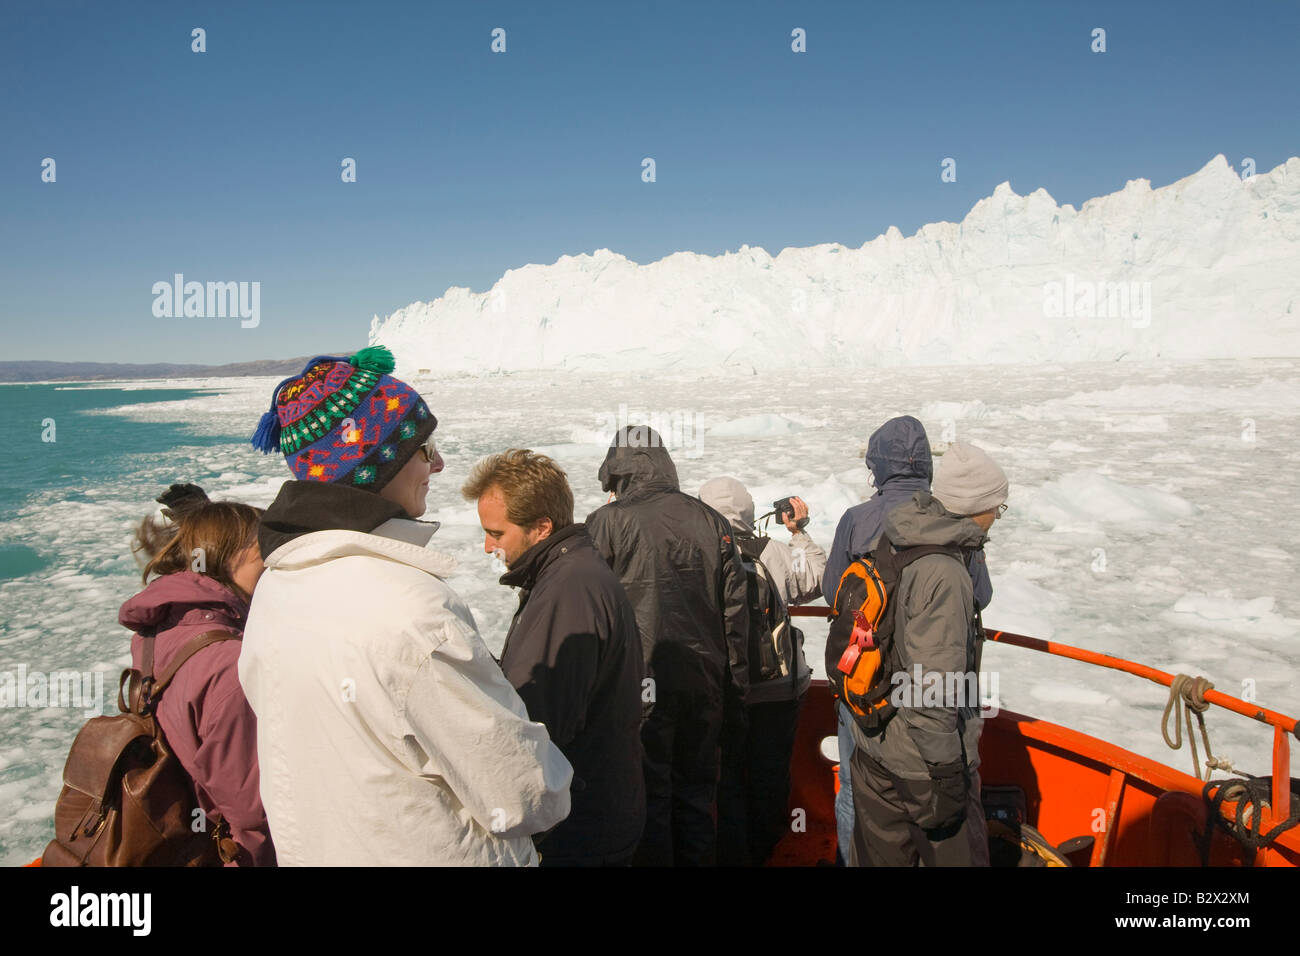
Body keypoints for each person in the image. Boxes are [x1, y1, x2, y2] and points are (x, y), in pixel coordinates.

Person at [239, 346, 572, 866]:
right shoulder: (409, 609)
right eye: (422, 448)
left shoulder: (276, 592)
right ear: (376, 464)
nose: (437, 463)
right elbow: (523, 792)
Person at [822, 415, 993, 864]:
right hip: (930, 712)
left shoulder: (856, 519)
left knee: (859, 796)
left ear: (877, 465)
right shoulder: (943, 523)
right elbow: (981, 596)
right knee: (945, 827)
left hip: (864, 688)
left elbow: (832, 591)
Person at [462, 449, 646, 866]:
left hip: (580, 828)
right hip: (595, 814)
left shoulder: (569, 590)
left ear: (541, 527)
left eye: (496, 533)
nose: (487, 546)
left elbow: (541, 722)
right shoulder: (568, 575)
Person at [586, 425, 750, 866]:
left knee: (647, 799)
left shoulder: (607, 522)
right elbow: (734, 612)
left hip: (639, 686)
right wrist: (734, 685)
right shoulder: (710, 520)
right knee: (697, 797)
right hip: (703, 683)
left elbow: (587, 609)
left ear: (618, 472)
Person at [118, 483, 276, 866]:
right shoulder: (228, 663)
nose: (275, 567)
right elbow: (251, 810)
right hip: (232, 852)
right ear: (231, 557)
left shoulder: (162, 631)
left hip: (180, 833)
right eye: (265, 554)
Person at [698, 477, 824, 865]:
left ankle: (732, 852)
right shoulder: (771, 552)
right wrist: (798, 533)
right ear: (750, 513)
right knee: (769, 774)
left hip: (723, 689)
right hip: (778, 688)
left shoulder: (696, 553)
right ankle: (767, 847)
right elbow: (817, 578)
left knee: (728, 777)